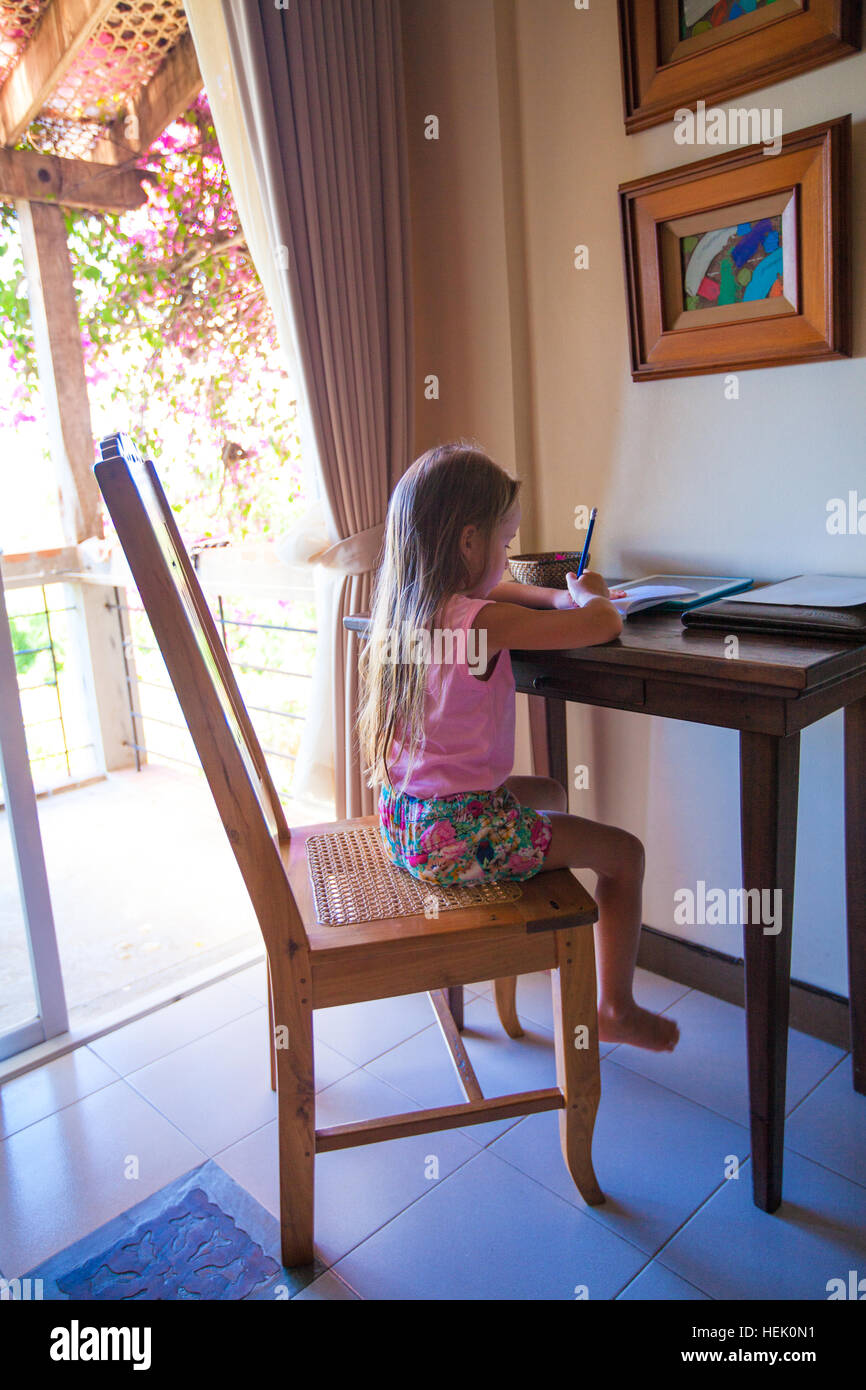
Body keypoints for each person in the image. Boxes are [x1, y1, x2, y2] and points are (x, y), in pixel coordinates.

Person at [358, 442, 679, 1052]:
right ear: (470, 542)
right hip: (457, 836)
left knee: (550, 792)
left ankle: (557, 942)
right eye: (505, 542)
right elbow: (601, 625)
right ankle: (614, 1004)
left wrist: (559, 594)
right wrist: (592, 596)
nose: (507, 555)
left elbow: (506, 593)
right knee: (625, 853)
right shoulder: (481, 624)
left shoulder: (409, 611)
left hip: (408, 821)